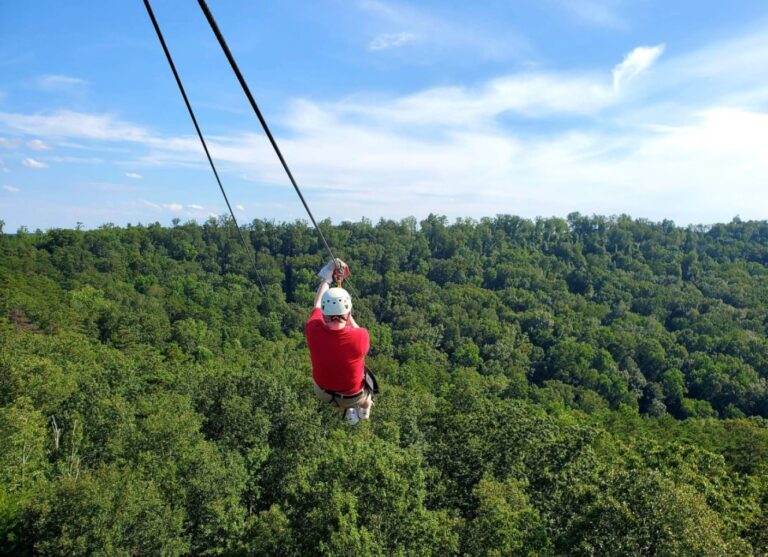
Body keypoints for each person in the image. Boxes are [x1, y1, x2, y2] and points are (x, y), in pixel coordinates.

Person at [305, 259, 373, 425]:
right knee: (369, 380)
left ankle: (347, 410)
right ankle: (364, 407)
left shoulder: (312, 329)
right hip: (353, 396)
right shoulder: (361, 336)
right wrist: (347, 314)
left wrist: (327, 279)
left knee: (338, 380)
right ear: (348, 313)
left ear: (324, 314)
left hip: (323, 393)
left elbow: (318, 303)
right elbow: (355, 328)